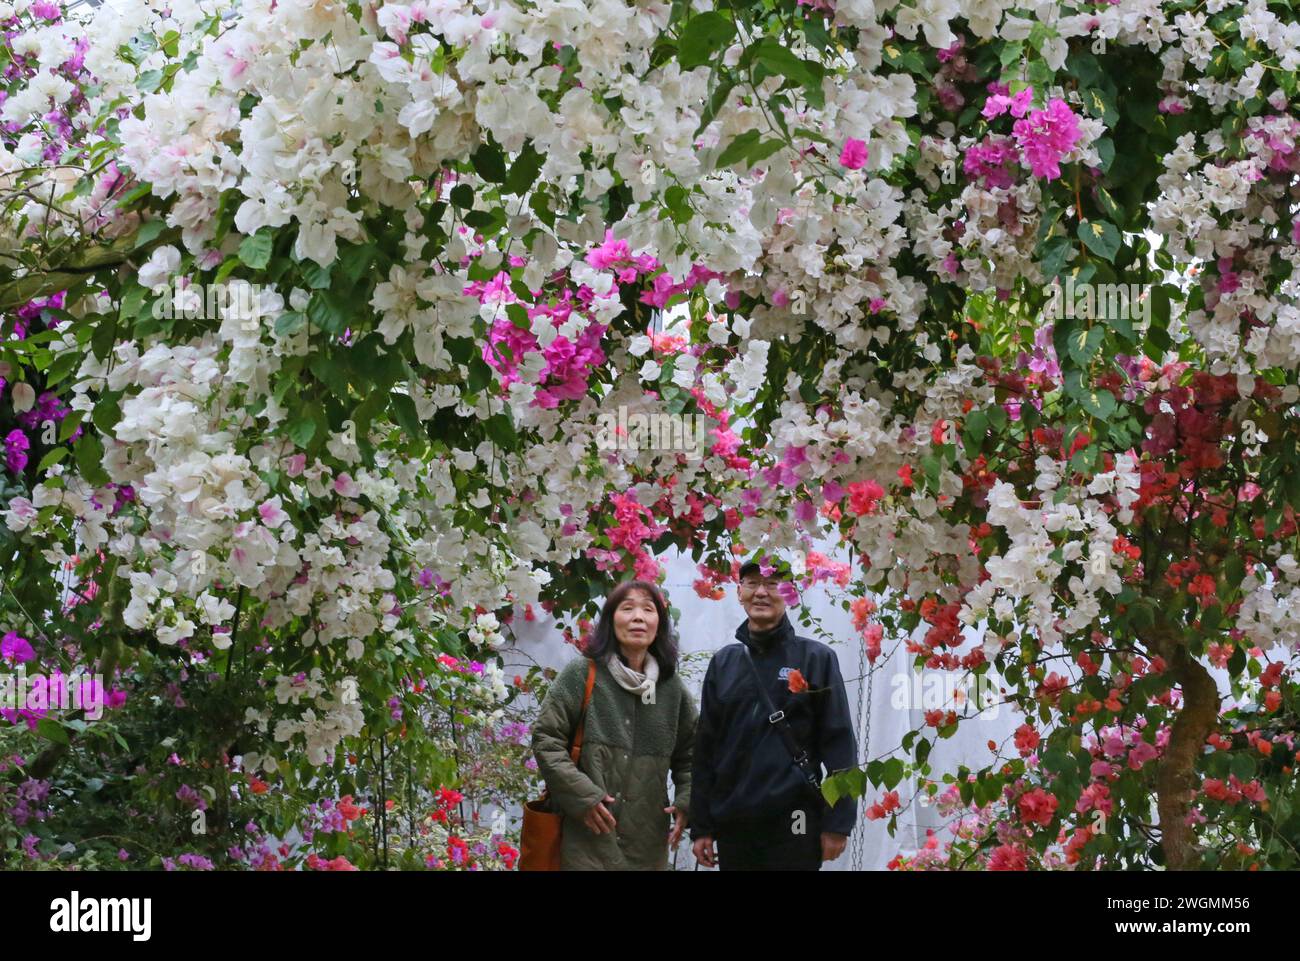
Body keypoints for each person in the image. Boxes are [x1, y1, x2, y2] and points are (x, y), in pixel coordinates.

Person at [689, 557, 858, 870]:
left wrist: (838, 823)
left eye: (771, 584)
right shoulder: (724, 664)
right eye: (752, 584)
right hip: (735, 821)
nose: (761, 593)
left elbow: (840, 745)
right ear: (739, 592)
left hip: (795, 817)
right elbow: (705, 751)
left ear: (790, 593)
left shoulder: (816, 658)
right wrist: (701, 826)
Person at [531, 579, 697, 870]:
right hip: (585, 839)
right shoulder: (582, 674)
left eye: (648, 609)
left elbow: (694, 754)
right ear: (611, 620)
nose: (638, 617)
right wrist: (584, 796)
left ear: (659, 623)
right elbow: (547, 738)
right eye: (627, 607)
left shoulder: (672, 690)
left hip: (646, 846)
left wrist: (686, 800)